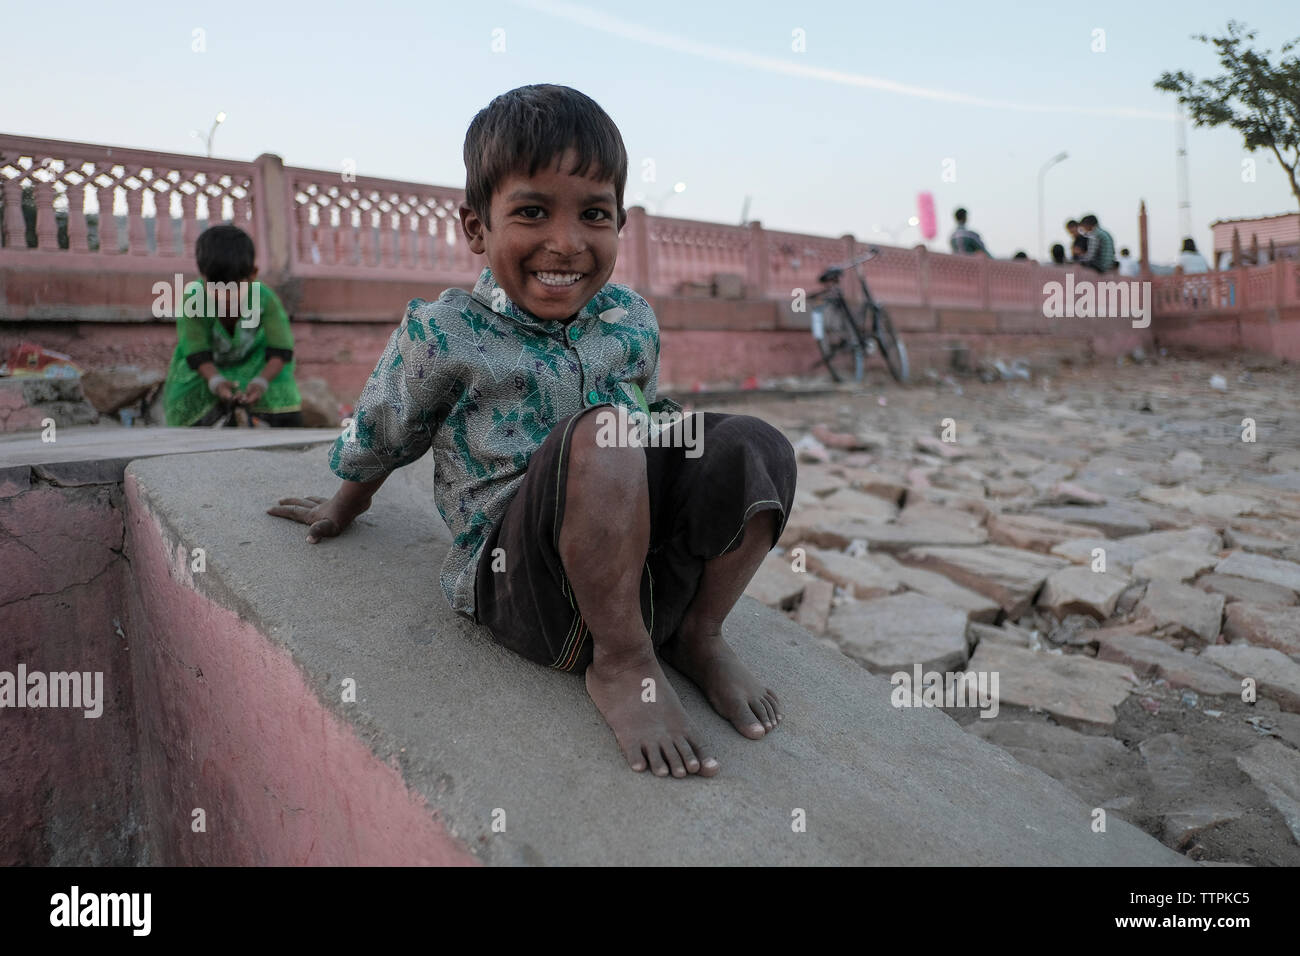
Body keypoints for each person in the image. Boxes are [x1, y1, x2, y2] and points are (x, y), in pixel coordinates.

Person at [268, 84, 796, 780]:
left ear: (618, 226)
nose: (566, 242)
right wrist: (345, 504)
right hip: (524, 589)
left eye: (594, 214)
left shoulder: (631, 318)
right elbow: (391, 426)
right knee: (606, 436)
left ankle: (697, 631)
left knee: (754, 445)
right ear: (477, 230)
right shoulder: (447, 332)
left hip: (629, 569)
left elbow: (649, 423)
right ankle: (624, 662)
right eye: (532, 212)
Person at [163, 225, 302, 426]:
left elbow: (281, 351)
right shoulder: (194, 299)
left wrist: (261, 383)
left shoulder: (265, 299)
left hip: (256, 367)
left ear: (253, 275)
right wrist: (216, 382)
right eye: (215, 287)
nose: (224, 296)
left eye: (234, 287)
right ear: (203, 277)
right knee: (189, 410)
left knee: (287, 411)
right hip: (205, 371)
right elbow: (195, 350)